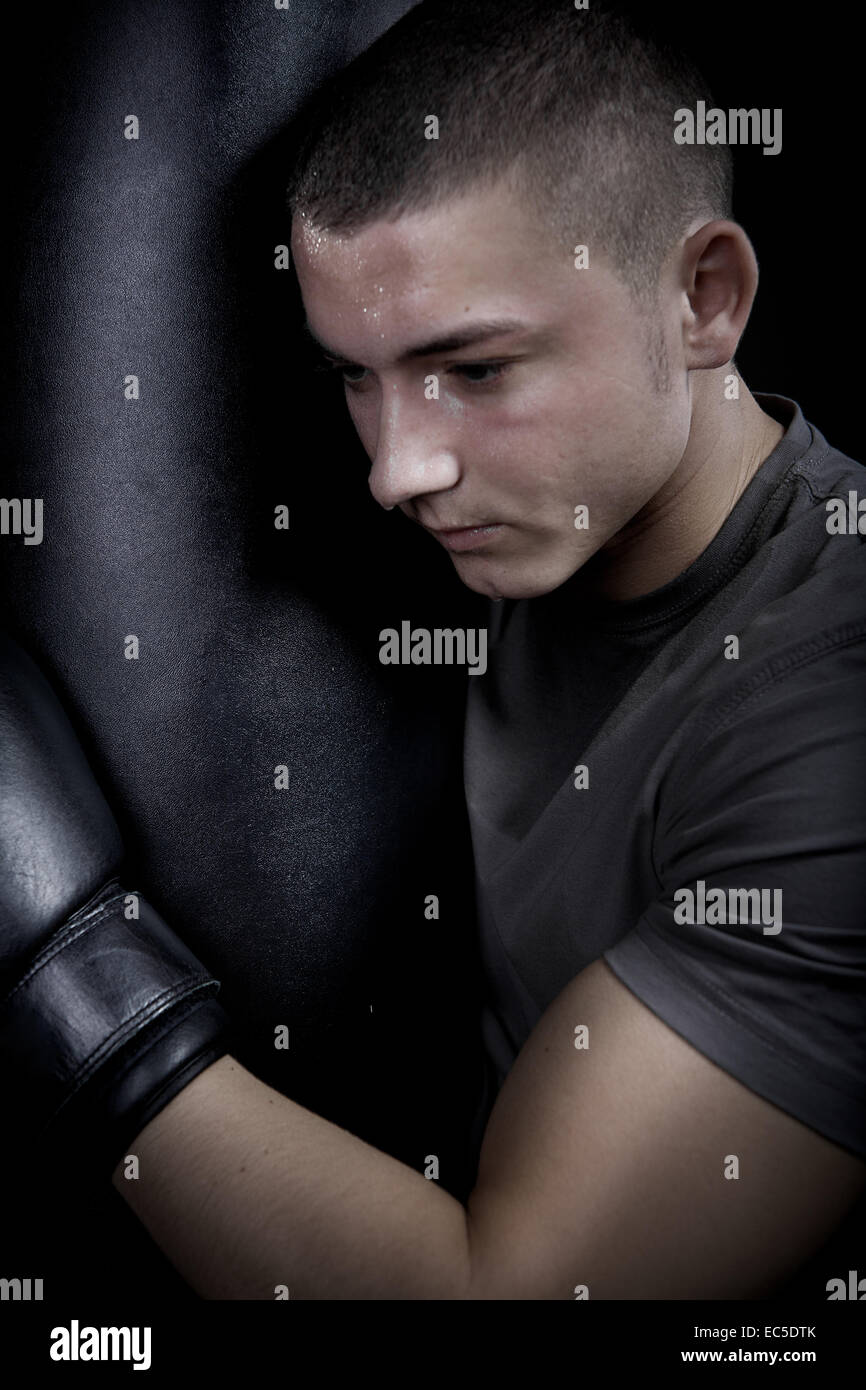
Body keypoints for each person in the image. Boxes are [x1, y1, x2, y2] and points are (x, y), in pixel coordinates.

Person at [1, 0, 863, 1300]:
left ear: (704, 297)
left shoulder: (834, 718)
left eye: (473, 368)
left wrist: (55, 954)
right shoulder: (540, 513)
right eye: (355, 376)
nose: (399, 472)